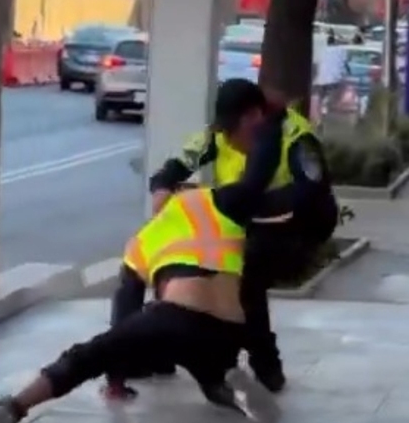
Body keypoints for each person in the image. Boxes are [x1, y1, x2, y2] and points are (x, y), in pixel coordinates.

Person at [0, 107, 296, 423]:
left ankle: (14, 407)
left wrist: (116, 377)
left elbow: (125, 309)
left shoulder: (143, 241)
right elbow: (257, 178)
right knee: (209, 369)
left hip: (177, 318)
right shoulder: (209, 201)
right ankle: (222, 385)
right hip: (229, 328)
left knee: (89, 354)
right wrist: (271, 126)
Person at [128, 81, 338, 394]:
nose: (227, 140)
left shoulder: (295, 137)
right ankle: (172, 347)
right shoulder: (222, 133)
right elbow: (181, 162)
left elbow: (311, 192)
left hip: (297, 224)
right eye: (223, 131)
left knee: (246, 274)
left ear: (254, 117)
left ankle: (264, 363)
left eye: (231, 132)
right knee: (186, 260)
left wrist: (236, 201)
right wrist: (163, 185)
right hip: (244, 218)